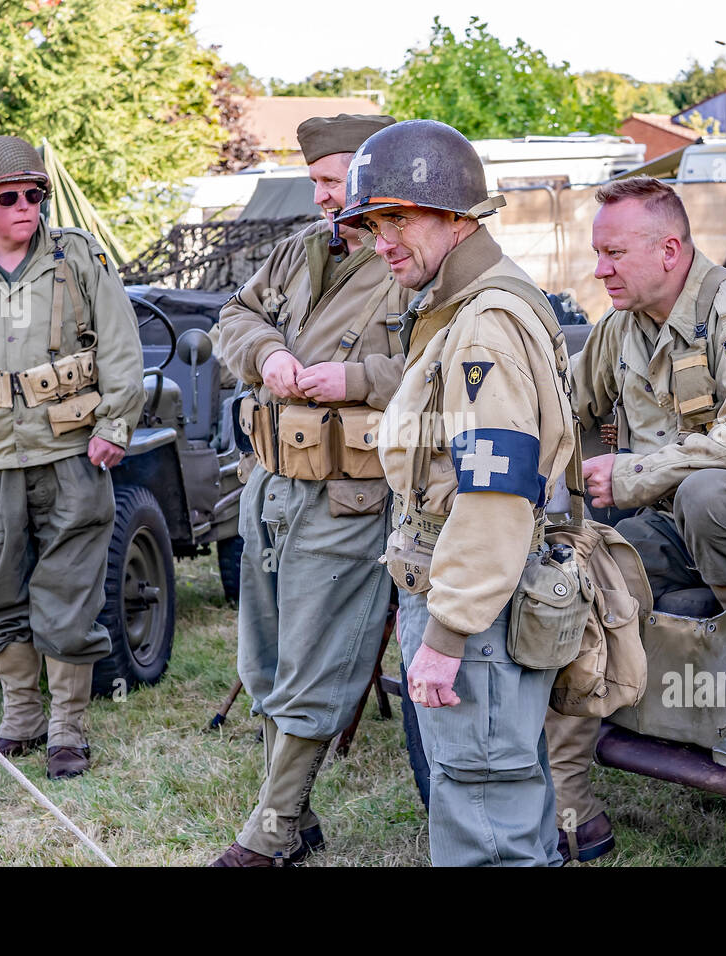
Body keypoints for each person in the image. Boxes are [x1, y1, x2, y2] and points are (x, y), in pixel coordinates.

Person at [546, 175, 726, 861]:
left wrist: (631, 474)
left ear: (669, 250)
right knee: (577, 576)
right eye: (598, 252)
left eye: (614, 253)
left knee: (707, 492)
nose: (599, 269)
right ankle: (571, 804)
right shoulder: (623, 327)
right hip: (680, 522)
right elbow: (567, 406)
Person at [337, 119, 574, 866]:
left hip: (474, 614)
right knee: (500, 802)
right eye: (375, 225)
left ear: (455, 218)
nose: (382, 242)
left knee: (482, 817)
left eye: (398, 219)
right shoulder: (462, 308)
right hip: (474, 602)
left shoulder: (481, 327)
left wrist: (445, 637)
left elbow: (493, 494)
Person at [0, 135, 146, 780]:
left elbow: (123, 348)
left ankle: (68, 728)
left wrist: (114, 428)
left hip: (69, 447)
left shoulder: (77, 259)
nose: (26, 206)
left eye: (34, 194)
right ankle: (20, 720)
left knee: (68, 588)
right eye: (9, 196)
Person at [211, 113, 405, 867]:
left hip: (351, 492)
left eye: (334, 181)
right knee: (264, 658)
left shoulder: (410, 262)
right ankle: (296, 810)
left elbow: (446, 365)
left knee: (317, 660)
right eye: (319, 182)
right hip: (271, 483)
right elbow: (238, 315)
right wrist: (265, 356)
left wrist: (355, 379)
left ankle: (273, 825)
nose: (323, 196)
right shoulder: (298, 253)